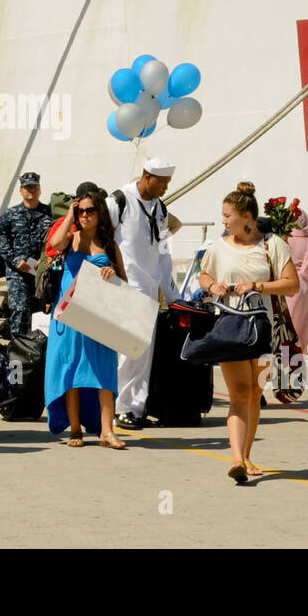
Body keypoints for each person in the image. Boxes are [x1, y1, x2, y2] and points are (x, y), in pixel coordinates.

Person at [197, 181, 300, 483]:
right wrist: (211, 285)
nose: (223, 221)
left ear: (246, 216)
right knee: (239, 393)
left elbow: (292, 284)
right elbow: (204, 274)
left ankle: (248, 454)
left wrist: (257, 286)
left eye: (227, 216)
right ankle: (237, 459)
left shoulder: (272, 245)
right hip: (229, 325)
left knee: (255, 393)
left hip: (263, 329)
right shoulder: (218, 247)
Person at [45, 187, 128, 449]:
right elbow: (55, 244)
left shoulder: (109, 245)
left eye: (90, 210)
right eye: (81, 210)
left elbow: (124, 281)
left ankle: (107, 431)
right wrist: (69, 217)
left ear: (100, 212)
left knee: (104, 370)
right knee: (70, 368)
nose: (85, 215)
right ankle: (75, 428)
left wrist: (112, 274)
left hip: (99, 315)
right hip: (69, 312)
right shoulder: (71, 239)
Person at [109, 158, 184, 431]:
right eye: (162, 182)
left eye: (168, 183)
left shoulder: (159, 207)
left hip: (150, 288)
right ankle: (121, 407)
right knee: (129, 351)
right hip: (127, 285)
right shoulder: (119, 200)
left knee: (142, 352)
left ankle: (133, 407)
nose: (165, 188)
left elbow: (162, 252)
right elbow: (102, 238)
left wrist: (172, 293)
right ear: (147, 177)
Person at [0, 172, 52, 339]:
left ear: (40, 189)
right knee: (19, 312)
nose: (31, 191)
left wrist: (47, 257)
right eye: (27, 188)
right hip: (18, 273)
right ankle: (18, 354)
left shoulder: (49, 214)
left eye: (34, 187)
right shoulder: (10, 215)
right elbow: (0, 239)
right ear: (21, 190)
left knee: (40, 314)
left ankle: (38, 354)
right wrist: (15, 260)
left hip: (41, 273)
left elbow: (55, 239)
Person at [286, 208, 308, 352]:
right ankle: (298, 366)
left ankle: (282, 366)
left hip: (286, 287)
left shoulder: (284, 240)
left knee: (285, 329)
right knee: (302, 329)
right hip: (304, 290)